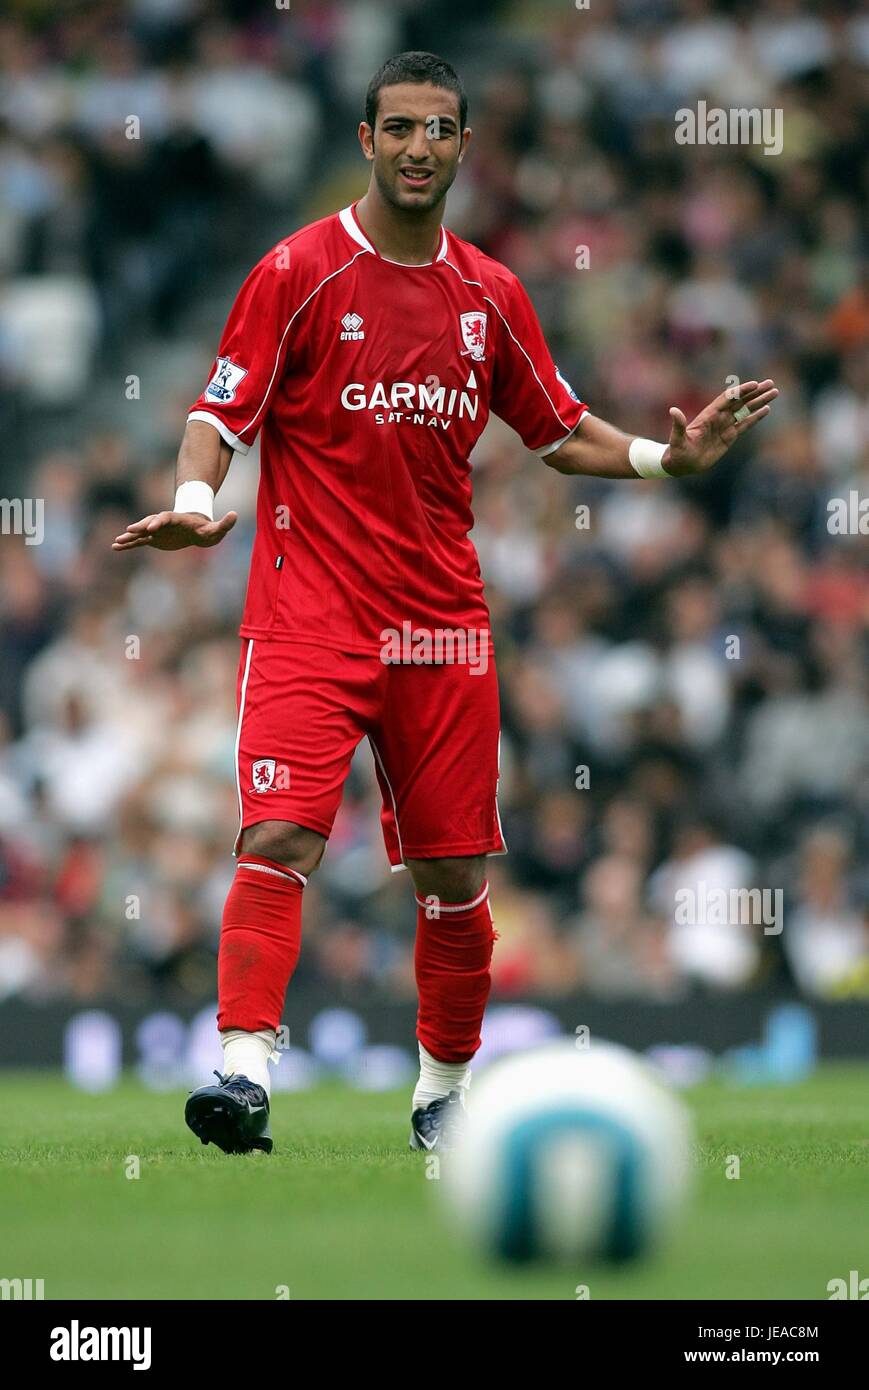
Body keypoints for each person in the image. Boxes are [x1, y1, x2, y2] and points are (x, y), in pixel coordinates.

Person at [113, 51, 778, 1155]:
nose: (420, 146)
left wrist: (669, 458)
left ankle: (441, 1093)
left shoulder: (489, 294)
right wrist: (192, 497)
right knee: (278, 832)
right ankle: (241, 1073)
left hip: (439, 627)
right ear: (365, 140)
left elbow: (558, 429)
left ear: (465, 147)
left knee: (452, 874)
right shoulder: (297, 271)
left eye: (441, 129)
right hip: (307, 616)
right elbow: (218, 413)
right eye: (400, 127)